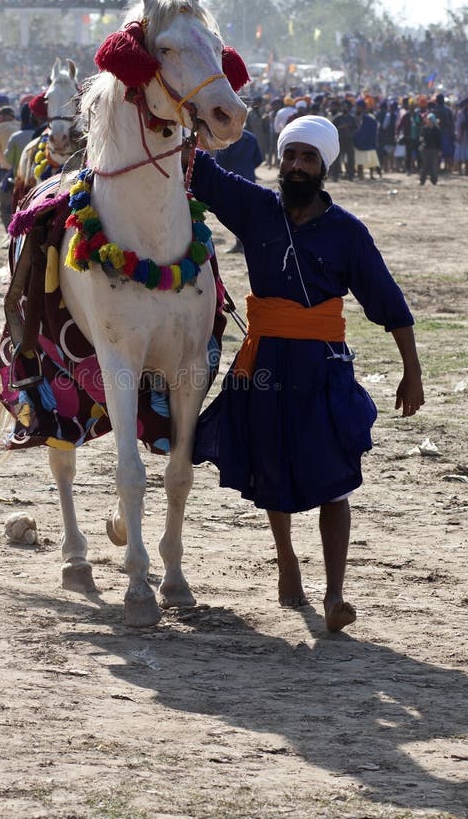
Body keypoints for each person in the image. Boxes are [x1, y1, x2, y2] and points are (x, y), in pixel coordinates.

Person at [187, 114, 424, 632]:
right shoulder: (255, 208)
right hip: (266, 363)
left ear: (323, 167)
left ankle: (336, 593)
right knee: (271, 468)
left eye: (307, 158)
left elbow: (388, 301)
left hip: (323, 369)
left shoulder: (347, 233)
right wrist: (179, 111)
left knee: (335, 477)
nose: (296, 165)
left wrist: (413, 370)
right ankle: (287, 559)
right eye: (290, 155)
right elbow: (198, 169)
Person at [214, 128, 264, 253]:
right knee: (247, 213)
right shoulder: (251, 137)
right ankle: (246, 243)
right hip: (249, 180)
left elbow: (219, 162)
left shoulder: (227, 138)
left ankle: (240, 243)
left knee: (235, 214)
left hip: (232, 181)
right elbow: (258, 159)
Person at [418, 113, 442, 186]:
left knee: (433, 166)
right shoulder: (424, 129)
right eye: (428, 120)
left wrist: (439, 150)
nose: (429, 121)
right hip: (425, 149)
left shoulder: (437, 130)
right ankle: (422, 181)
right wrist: (421, 141)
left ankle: (434, 180)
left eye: (430, 120)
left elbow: (439, 141)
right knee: (424, 165)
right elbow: (421, 138)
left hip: (434, 150)